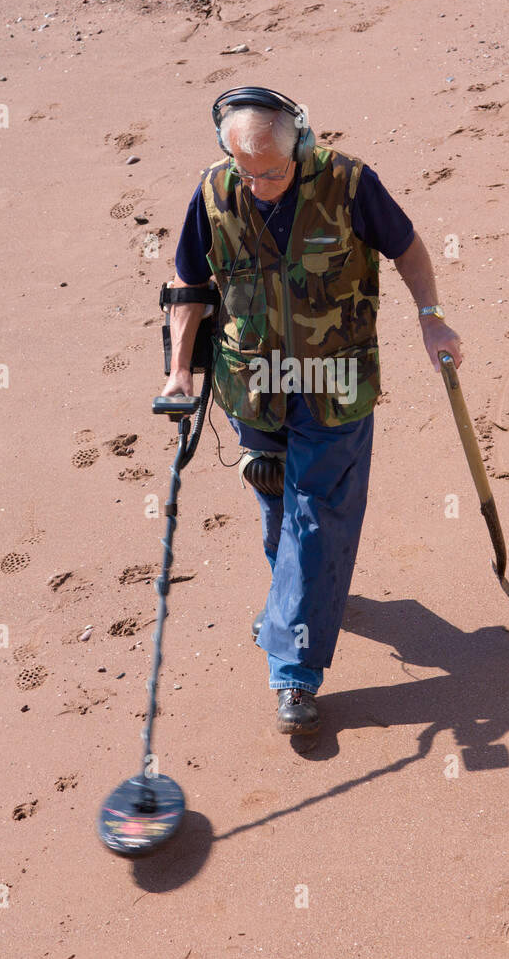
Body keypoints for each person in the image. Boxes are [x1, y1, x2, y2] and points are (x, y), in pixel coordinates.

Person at [161, 87, 463, 735]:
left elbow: (407, 249)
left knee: (316, 516)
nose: (260, 185)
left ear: (300, 141)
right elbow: (188, 283)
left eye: (272, 170)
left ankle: (293, 671)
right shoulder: (213, 194)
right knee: (277, 508)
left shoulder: (350, 184)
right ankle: (296, 601)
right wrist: (179, 371)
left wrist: (431, 320)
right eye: (248, 171)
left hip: (335, 382)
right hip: (253, 387)